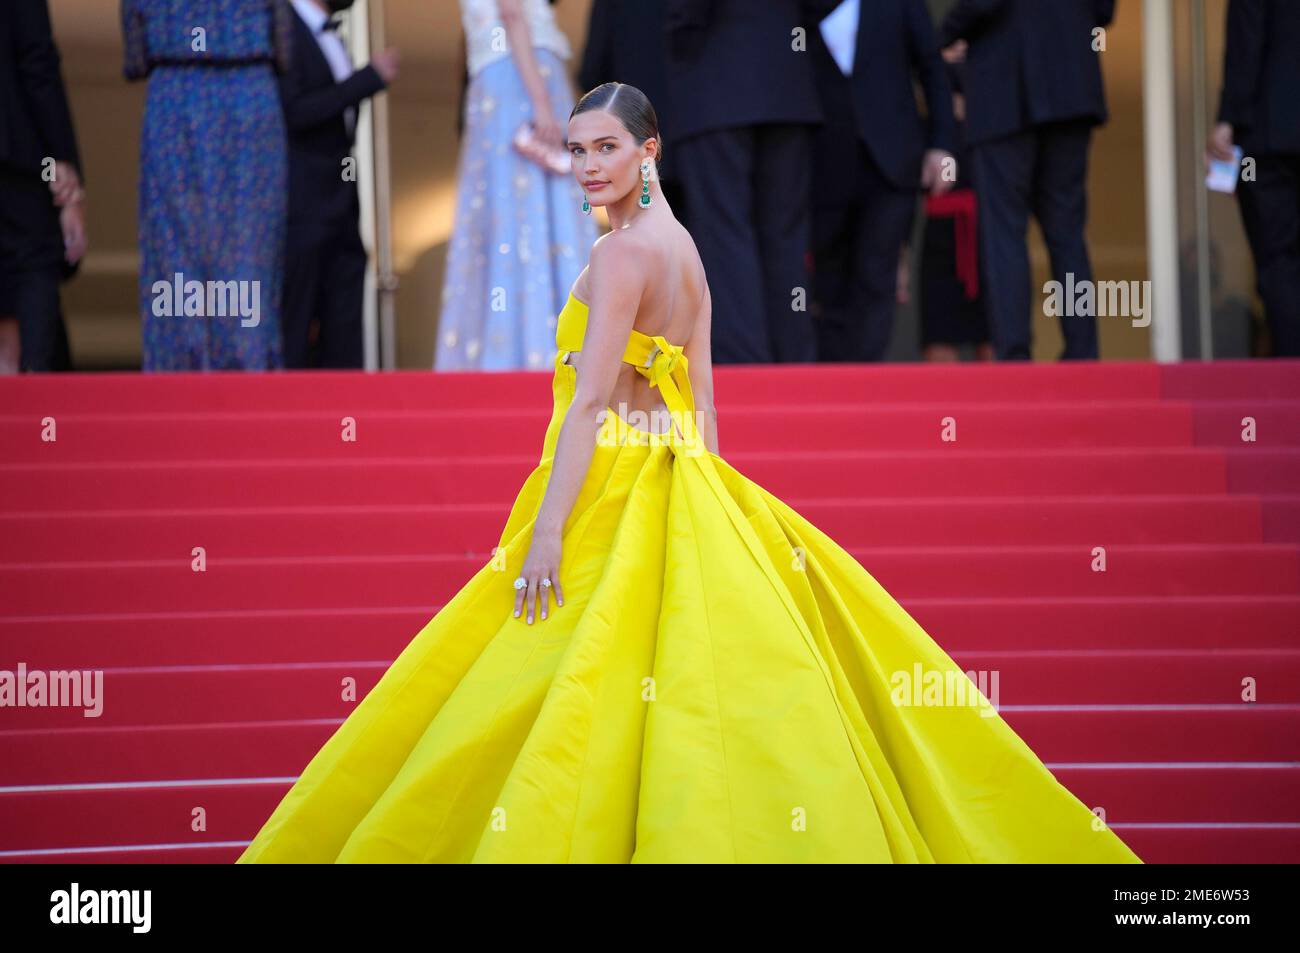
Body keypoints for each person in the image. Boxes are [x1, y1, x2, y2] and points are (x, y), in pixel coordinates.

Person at [236, 82, 1143, 864]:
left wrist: (548, 529)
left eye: (607, 148)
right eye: (578, 149)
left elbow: (588, 405)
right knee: (671, 688)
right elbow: (704, 410)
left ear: (649, 151)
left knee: (542, 688)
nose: (589, 165)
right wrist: (706, 502)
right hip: (688, 480)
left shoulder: (620, 253)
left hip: (612, 489)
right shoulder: (689, 251)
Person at [663, 0, 841, 365]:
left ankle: (744, 359)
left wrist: (683, 36)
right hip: (787, 90)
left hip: (714, 82)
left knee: (725, 232)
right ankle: (793, 357)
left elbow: (685, 10)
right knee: (785, 235)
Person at [940, 0, 1115, 361]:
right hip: (1071, 87)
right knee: (1067, 232)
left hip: (1003, 89)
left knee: (1004, 233)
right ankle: (1083, 352)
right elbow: (1103, 9)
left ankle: (1015, 355)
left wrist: (939, 36)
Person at [121, 0, 289, 371]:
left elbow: (134, 57)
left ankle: (183, 365)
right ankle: (248, 361)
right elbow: (285, 48)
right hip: (250, 95)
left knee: (176, 242)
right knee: (249, 243)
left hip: (176, 95)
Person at [435, 0, 598, 371]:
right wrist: (541, 103)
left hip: (498, 77)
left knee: (505, 213)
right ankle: (563, 346)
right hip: (522, 75)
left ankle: (507, 350)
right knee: (543, 210)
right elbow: (511, 12)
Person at [807, 0, 956, 363]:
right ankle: (833, 389)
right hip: (821, 163)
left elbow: (931, 66)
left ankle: (865, 385)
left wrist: (942, 145)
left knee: (878, 275)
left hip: (893, 162)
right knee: (828, 284)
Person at [279, 0, 399, 368]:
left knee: (344, 315)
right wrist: (368, 78)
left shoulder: (328, 32)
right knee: (296, 318)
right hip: (301, 198)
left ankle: (347, 415)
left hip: (340, 198)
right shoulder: (282, 22)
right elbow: (293, 111)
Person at [1208, 0, 1300, 357]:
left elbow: (1247, 41)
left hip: (1271, 134)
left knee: (1278, 262)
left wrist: (1228, 121)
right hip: (1271, 135)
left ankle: (1293, 376)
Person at [0, 0, 87, 373]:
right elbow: (37, 67)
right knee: (32, 269)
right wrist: (60, 169)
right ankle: (33, 411)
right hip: (18, 159)